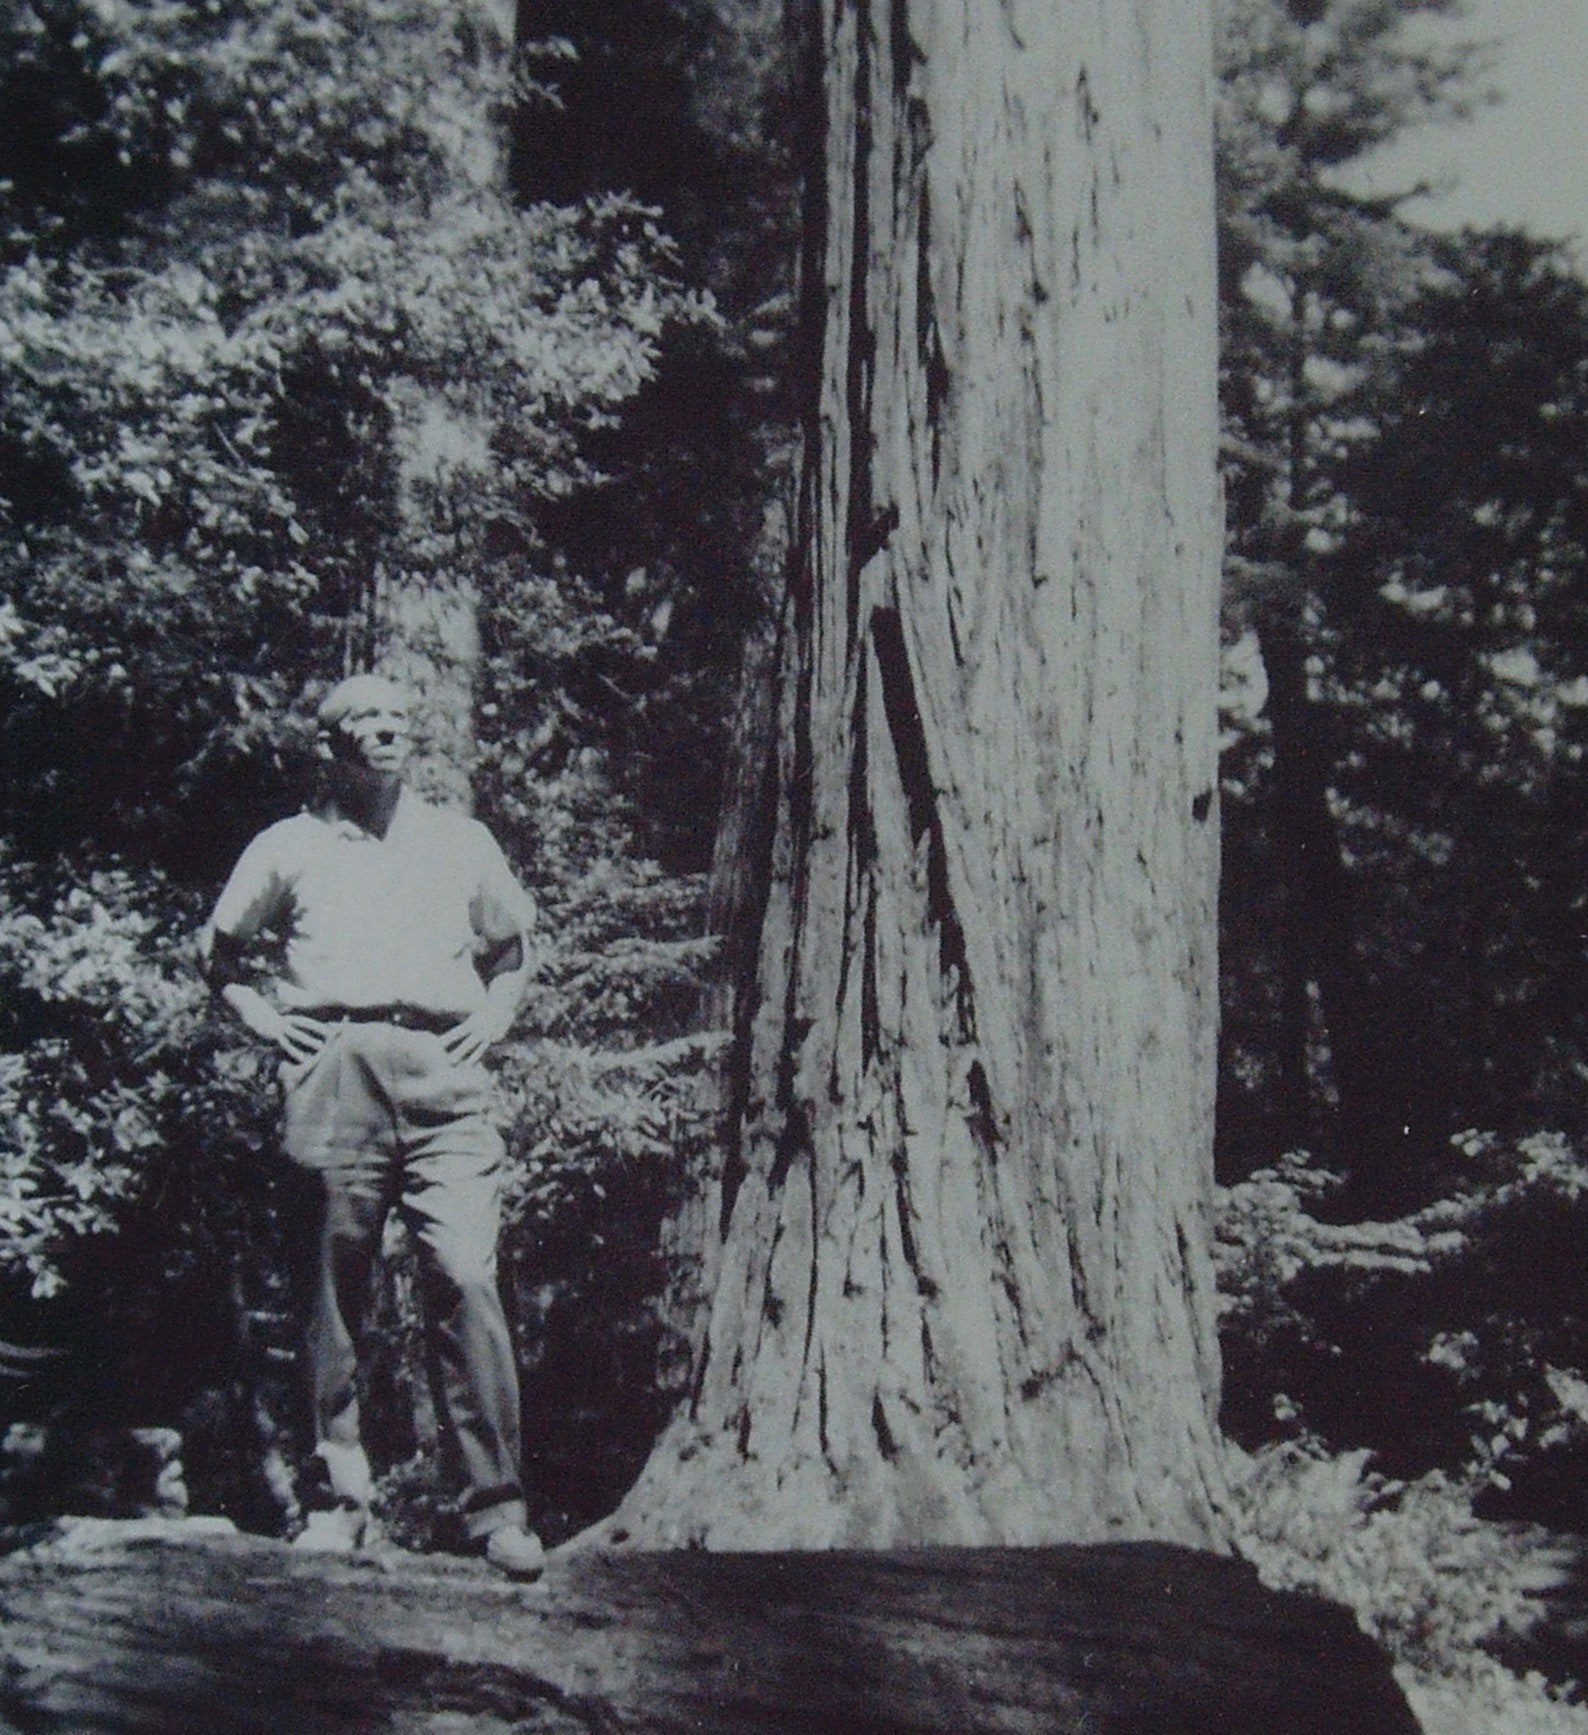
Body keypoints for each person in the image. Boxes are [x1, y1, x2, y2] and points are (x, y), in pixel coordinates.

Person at [201, 674, 545, 1579]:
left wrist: (497, 1015)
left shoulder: (459, 840)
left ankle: (497, 1510)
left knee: (466, 1271)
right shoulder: (290, 846)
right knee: (329, 1286)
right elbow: (222, 953)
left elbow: (512, 947)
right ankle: (336, 1501)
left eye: (398, 721)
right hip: (335, 1069)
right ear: (333, 745)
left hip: (445, 1072)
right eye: (366, 724)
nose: (387, 734)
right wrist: (269, 1021)